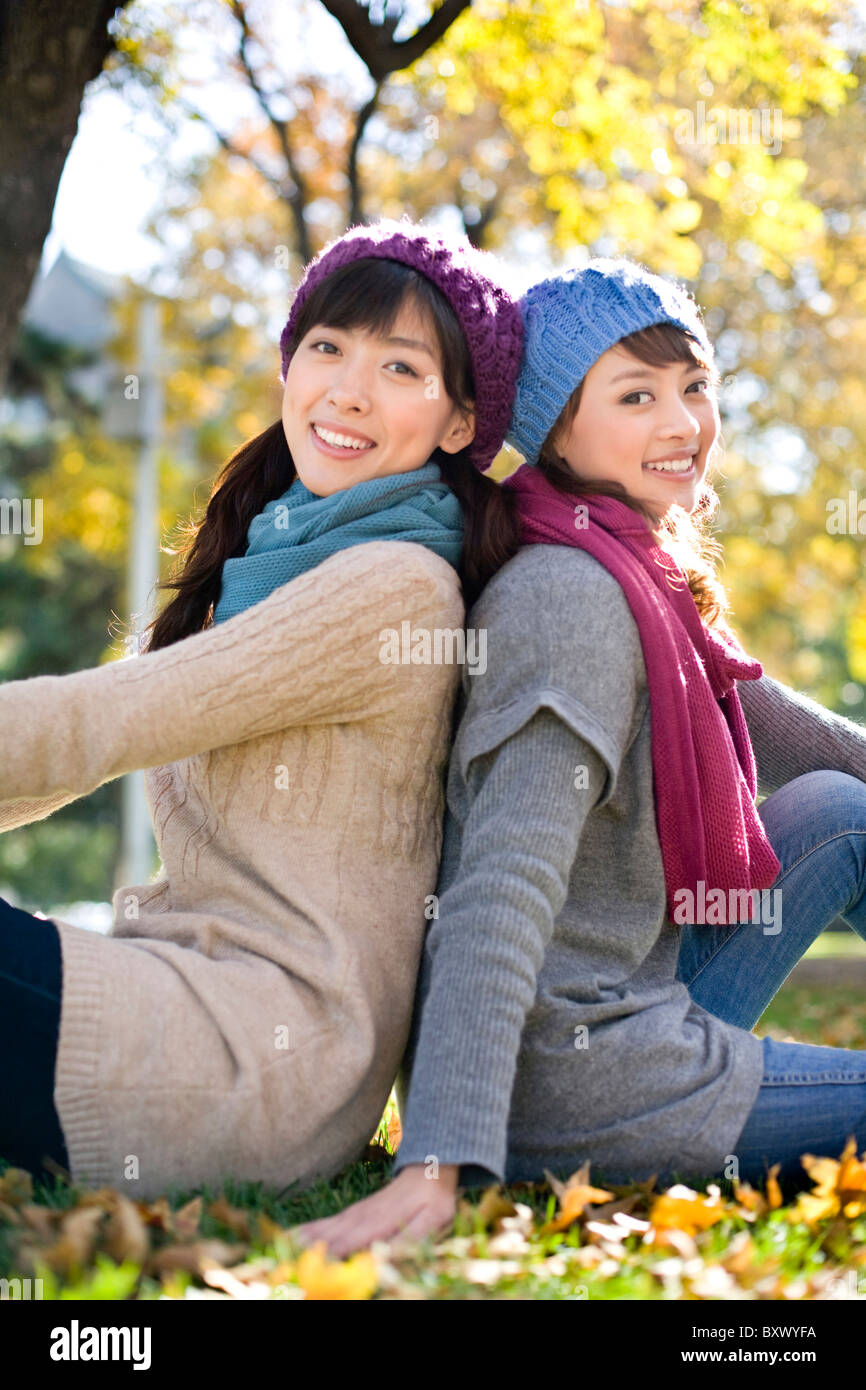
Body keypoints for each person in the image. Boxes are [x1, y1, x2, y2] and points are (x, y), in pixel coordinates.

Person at [294, 256, 866, 1257]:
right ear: (556, 428)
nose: (680, 423)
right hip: (574, 1083)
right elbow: (498, 887)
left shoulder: (634, 572)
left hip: (631, 992)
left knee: (835, 806)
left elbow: (798, 738)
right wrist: (437, 1161)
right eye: (635, 395)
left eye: (694, 387)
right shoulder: (567, 600)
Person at [0, 216, 524, 1200]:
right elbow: (70, 758)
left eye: (400, 368)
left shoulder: (393, 585)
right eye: (326, 348)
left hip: (254, 1062)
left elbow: (95, 722)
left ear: (457, 423)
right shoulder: (262, 561)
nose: (347, 389)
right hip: (175, 997)